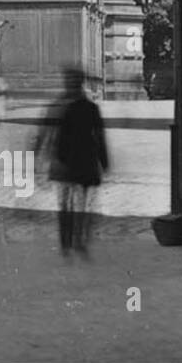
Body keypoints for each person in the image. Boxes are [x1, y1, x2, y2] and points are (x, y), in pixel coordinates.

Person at [38, 65, 108, 257]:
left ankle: (73, 241)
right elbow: (45, 131)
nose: (71, 84)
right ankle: (70, 242)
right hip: (69, 161)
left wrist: (104, 160)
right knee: (70, 203)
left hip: (75, 160)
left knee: (75, 204)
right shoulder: (83, 107)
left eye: (73, 81)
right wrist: (104, 161)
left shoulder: (71, 106)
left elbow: (99, 136)